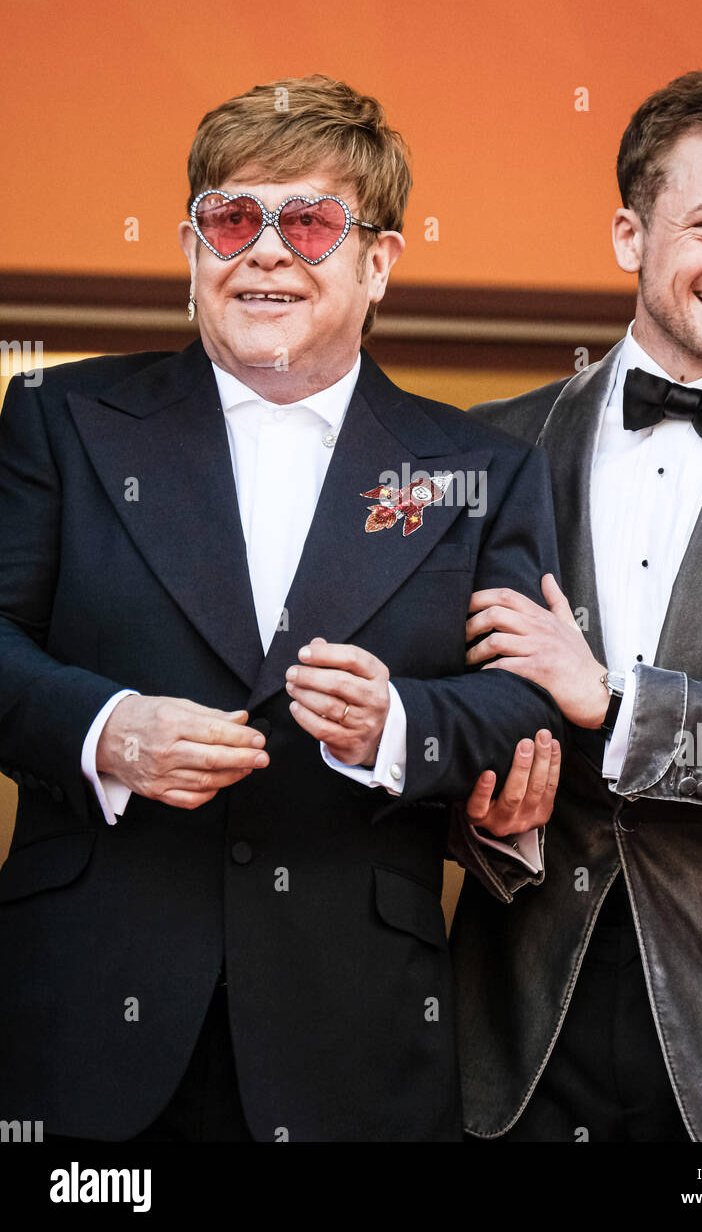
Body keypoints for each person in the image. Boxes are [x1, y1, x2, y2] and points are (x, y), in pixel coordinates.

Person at [0, 76, 562, 1143]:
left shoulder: (478, 467)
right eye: (231, 218)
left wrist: (398, 726)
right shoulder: (59, 417)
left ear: (379, 260)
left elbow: (525, 700)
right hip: (81, 1016)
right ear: (190, 245)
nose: (264, 251)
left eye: (308, 222)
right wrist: (105, 728)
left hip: (352, 1036)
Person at [450, 70, 702, 1142]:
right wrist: (485, 827)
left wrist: (616, 703)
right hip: (520, 1027)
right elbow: (437, 713)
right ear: (628, 233)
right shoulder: (490, 447)